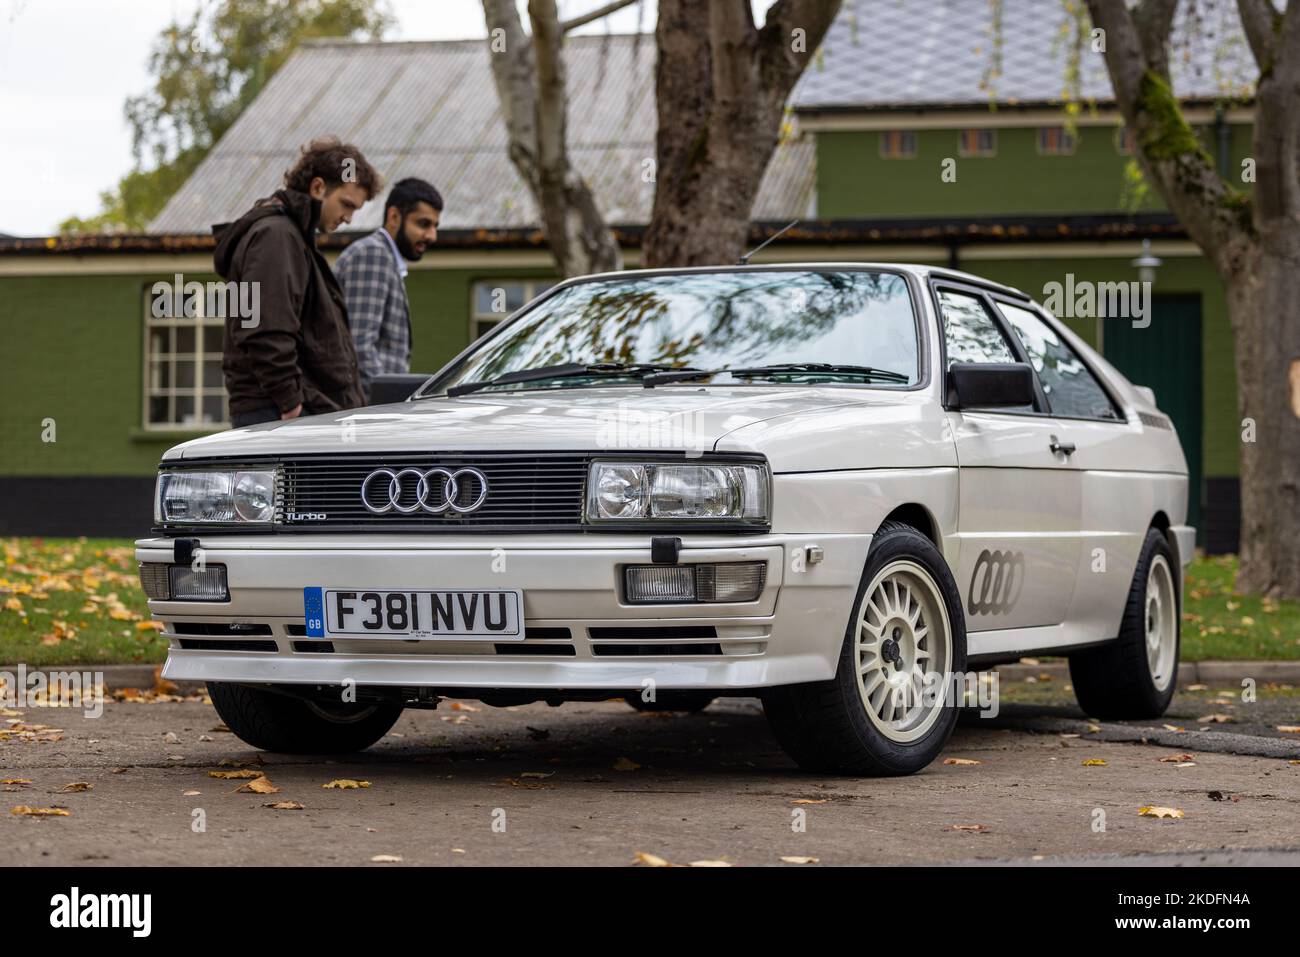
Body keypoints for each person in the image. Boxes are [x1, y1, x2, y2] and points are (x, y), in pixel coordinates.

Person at [213, 136, 382, 428]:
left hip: (294, 413)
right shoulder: (276, 236)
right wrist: (291, 404)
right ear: (318, 188)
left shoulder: (292, 237)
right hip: (281, 416)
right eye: (346, 204)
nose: (349, 218)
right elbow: (264, 331)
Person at [335, 177, 443, 399]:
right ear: (394, 217)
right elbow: (358, 347)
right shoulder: (373, 255)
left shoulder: (384, 257)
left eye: (435, 226)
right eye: (423, 224)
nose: (432, 236)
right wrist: (390, 405)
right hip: (369, 413)